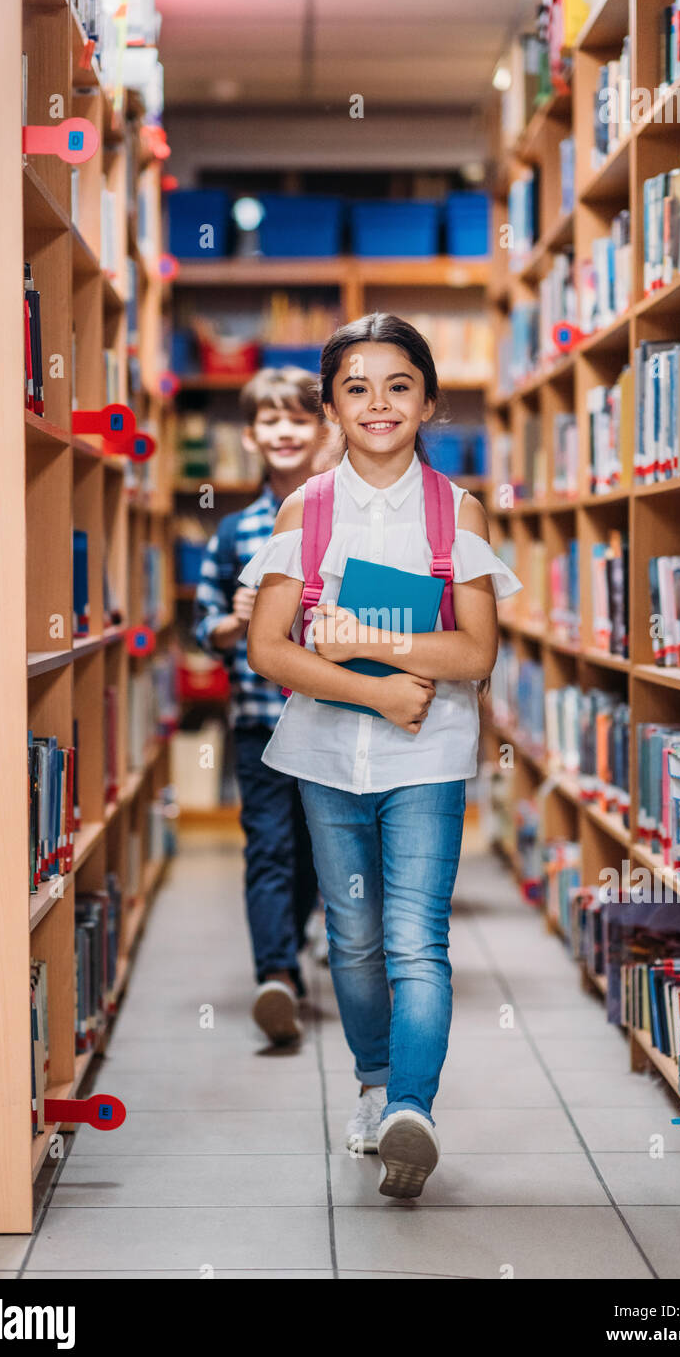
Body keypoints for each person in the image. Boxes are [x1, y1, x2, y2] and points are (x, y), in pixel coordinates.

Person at [239, 314, 521, 1198]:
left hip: (428, 758)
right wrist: (373, 687)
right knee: (355, 941)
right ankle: (371, 1080)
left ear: (428, 400)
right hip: (327, 757)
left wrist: (367, 638)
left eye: (398, 385)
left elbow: (475, 653)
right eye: (355, 388)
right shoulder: (304, 510)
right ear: (329, 406)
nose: (378, 404)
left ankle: (412, 1108)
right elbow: (268, 649)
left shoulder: (456, 511)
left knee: (415, 941)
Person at [194, 366, 336, 1045]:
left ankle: (293, 945)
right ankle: (274, 974)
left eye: (297, 419)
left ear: (320, 431)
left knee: (314, 851)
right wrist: (233, 620)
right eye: (269, 421)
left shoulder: (340, 522)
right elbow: (203, 621)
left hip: (334, 715)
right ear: (250, 437)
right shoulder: (234, 533)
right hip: (258, 720)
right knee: (270, 848)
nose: (284, 432)